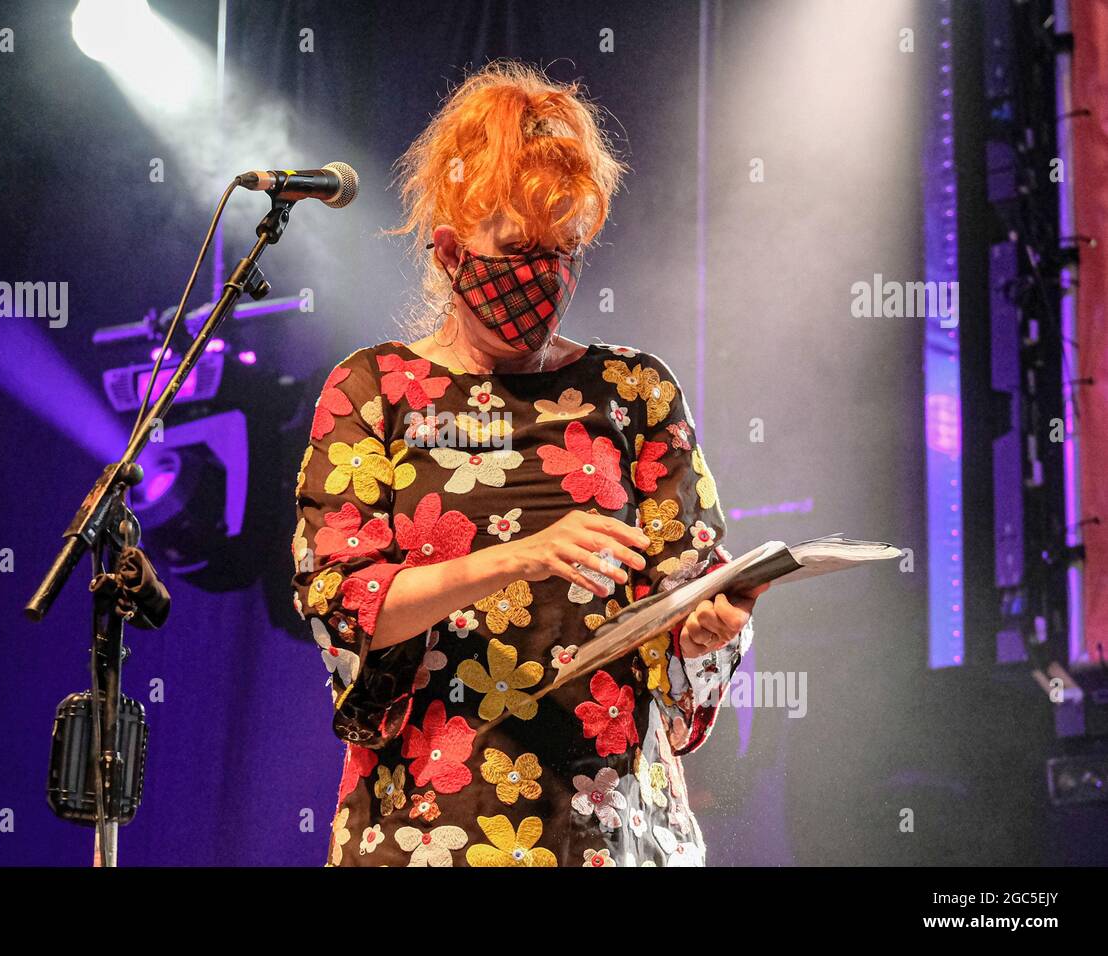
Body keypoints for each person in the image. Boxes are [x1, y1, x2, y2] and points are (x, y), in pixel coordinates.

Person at [290, 60, 766, 867]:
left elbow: (688, 589)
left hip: (610, 824)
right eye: (517, 248)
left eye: (563, 250)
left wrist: (706, 631)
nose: (542, 276)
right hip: (429, 823)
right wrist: (518, 557)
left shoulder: (634, 392)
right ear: (448, 252)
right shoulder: (376, 390)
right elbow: (344, 601)